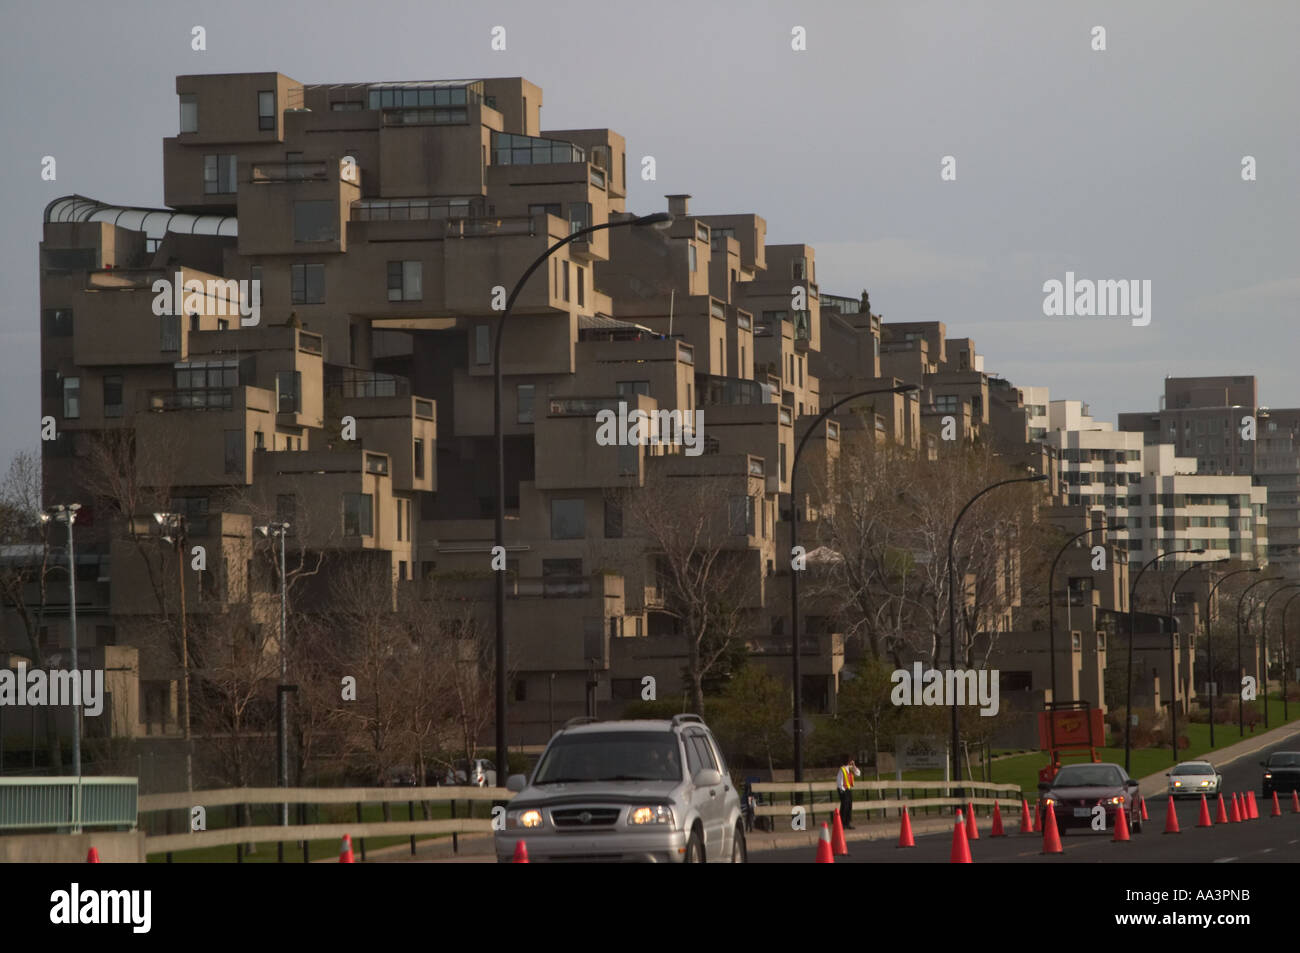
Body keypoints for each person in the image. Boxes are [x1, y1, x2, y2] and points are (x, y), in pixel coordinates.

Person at [837, 754, 861, 829]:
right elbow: (839, 781)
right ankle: (842, 823)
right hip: (843, 790)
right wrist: (842, 790)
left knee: (849, 806)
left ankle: (847, 823)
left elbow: (858, 773)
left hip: (848, 789)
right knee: (844, 807)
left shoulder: (850, 768)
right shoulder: (842, 769)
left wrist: (854, 765)